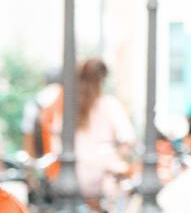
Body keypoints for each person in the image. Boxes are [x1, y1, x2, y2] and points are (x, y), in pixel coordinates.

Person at [42, 58, 137, 205]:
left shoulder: (67, 106)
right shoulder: (109, 104)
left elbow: (56, 141)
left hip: (72, 178)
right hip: (104, 180)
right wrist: (115, 156)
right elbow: (128, 139)